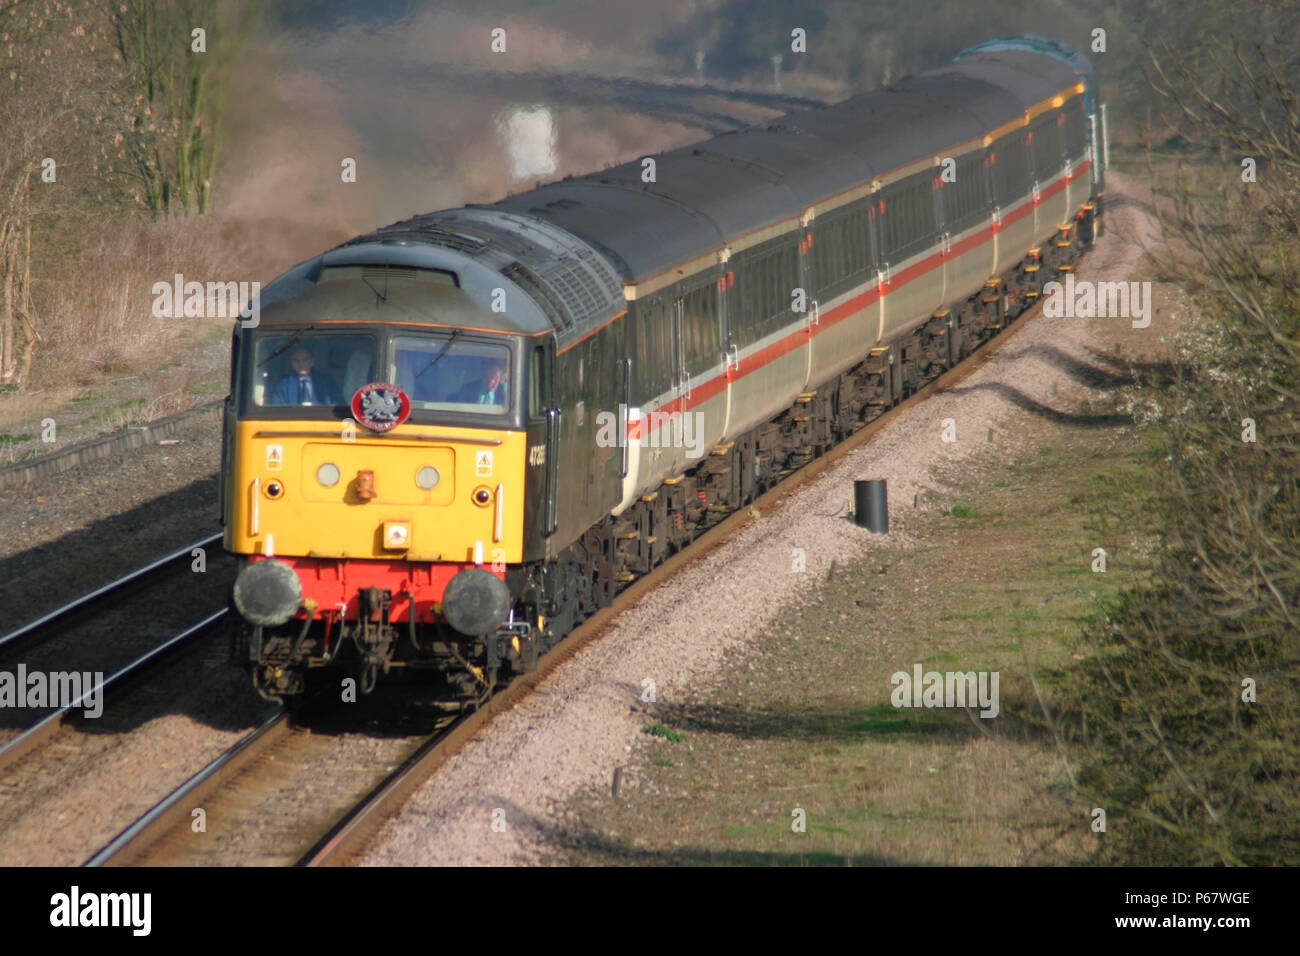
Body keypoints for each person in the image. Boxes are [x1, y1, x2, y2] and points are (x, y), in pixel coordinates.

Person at [270, 346, 339, 405]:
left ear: (312, 362)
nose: (301, 364)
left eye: (305, 360)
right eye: (296, 360)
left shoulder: (326, 382)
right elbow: (278, 410)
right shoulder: (282, 385)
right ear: (292, 364)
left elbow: (335, 404)